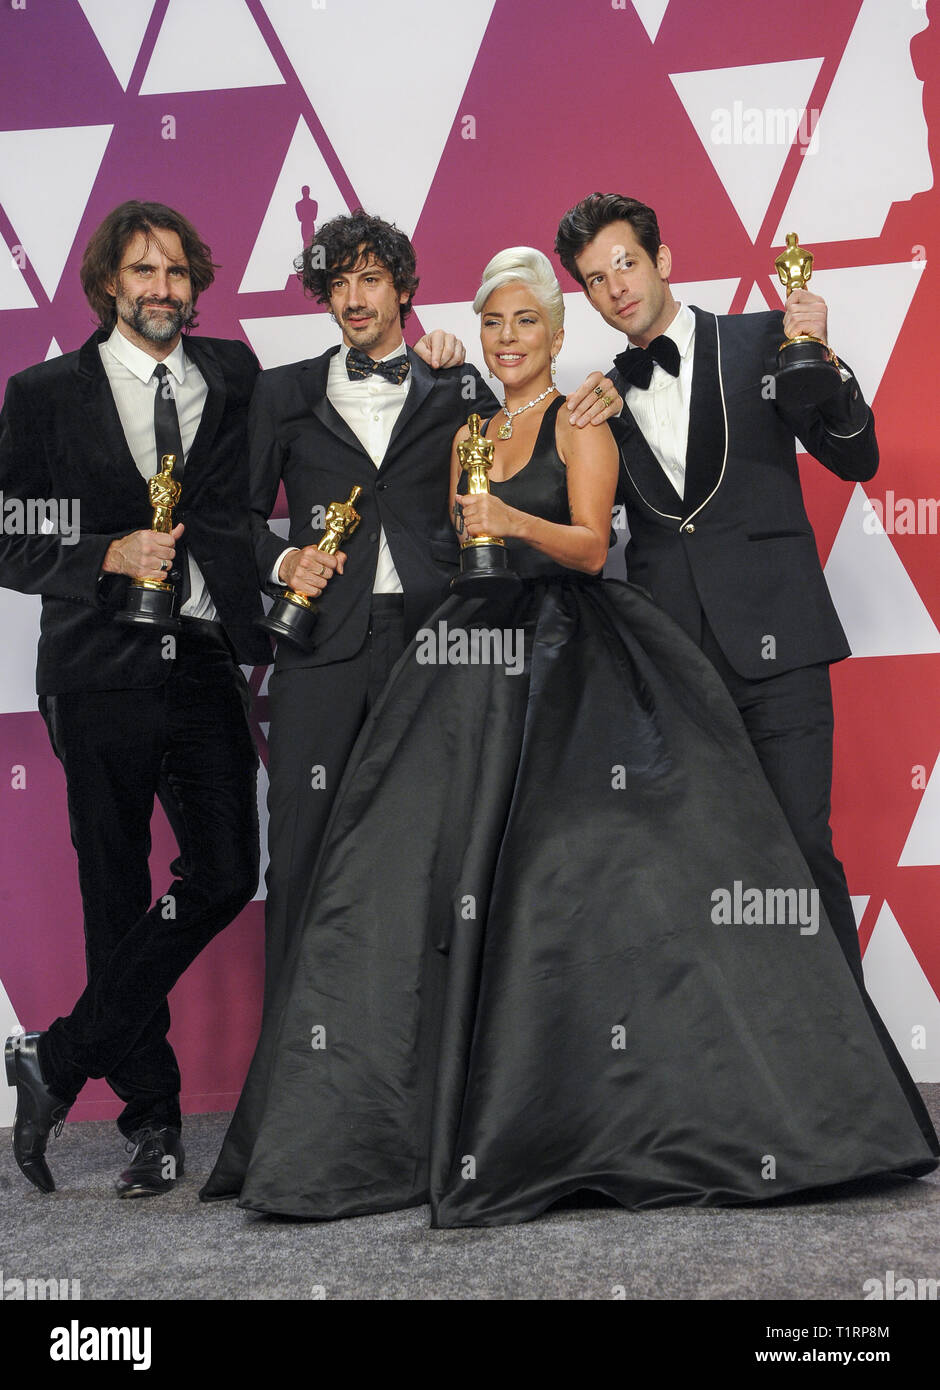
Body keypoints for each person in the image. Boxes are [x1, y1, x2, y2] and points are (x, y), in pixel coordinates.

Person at [201, 248, 938, 1226]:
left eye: (527, 322)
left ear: (558, 331)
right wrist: (444, 366)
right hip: (465, 661)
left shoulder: (584, 415)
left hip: (575, 658)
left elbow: (593, 544)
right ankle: (430, 1118)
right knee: (415, 868)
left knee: (592, 875)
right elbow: (390, 467)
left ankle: (656, 1110)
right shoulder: (461, 419)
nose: (509, 338)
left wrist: (505, 515)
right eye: (495, 321)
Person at [203, 213, 623, 1201]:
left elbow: (540, 424)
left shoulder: (459, 383)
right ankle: (289, 1125)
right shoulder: (281, 393)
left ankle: (418, 1120)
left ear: (401, 288)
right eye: (336, 282)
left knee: (439, 875)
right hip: (318, 659)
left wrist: (606, 384)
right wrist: (278, 560)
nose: (353, 297)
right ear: (323, 296)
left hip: (442, 648)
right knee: (304, 867)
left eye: (370, 279)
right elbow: (221, 517)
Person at [1, 200, 271, 1198]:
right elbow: (6, 535)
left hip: (202, 659)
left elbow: (333, 417)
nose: (161, 288)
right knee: (114, 895)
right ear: (108, 282)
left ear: (195, 283)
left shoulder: (234, 375)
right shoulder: (41, 396)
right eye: (142, 271)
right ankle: (153, 1121)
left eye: (177, 272)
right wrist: (101, 553)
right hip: (96, 669)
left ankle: (57, 1058)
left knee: (225, 870)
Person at [558, 193, 874, 989]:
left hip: (780, 648)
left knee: (802, 845)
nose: (617, 287)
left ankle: (854, 1068)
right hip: (678, 668)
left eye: (627, 263)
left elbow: (856, 458)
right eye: (596, 279)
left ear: (662, 261)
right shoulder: (601, 401)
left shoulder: (768, 337)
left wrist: (822, 361)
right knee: (712, 872)